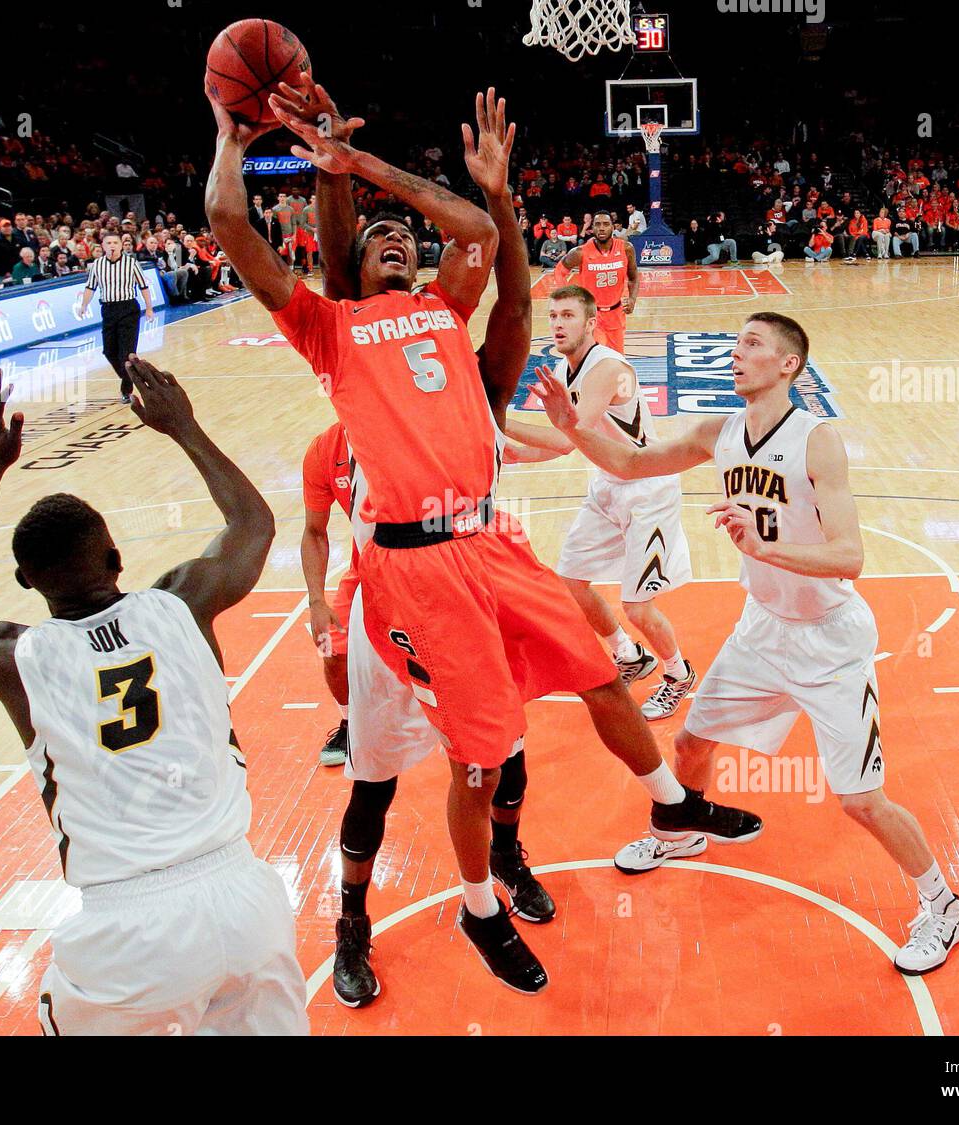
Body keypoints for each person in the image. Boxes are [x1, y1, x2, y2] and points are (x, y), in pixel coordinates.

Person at [210, 82, 736, 994]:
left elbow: (486, 244)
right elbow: (232, 222)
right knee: (432, 768)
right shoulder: (332, 330)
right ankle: (418, 909)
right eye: (377, 240)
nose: (396, 241)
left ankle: (666, 804)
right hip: (404, 568)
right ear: (351, 265)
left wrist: (387, 169)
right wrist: (237, 137)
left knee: (591, 681)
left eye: (403, 238)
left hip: (488, 540)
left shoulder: (448, 317)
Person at [534, 312, 959, 976]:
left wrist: (767, 546)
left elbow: (850, 555)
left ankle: (943, 905)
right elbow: (628, 460)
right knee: (690, 743)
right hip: (761, 630)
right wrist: (572, 425)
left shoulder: (816, 442)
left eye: (751, 344)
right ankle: (675, 834)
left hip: (830, 642)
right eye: (735, 343)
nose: (735, 354)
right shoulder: (720, 431)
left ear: (788, 364)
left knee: (860, 801)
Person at [0, 366, 308, 1034]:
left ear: (26, 581)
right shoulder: (184, 602)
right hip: (247, 900)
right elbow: (254, 524)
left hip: (131, 928)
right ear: (117, 557)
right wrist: (183, 427)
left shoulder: (18, 657)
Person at [506, 285, 698, 720]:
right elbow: (560, 445)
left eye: (569, 315)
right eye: (553, 315)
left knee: (637, 606)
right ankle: (628, 655)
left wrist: (497, 417)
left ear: (591, 323)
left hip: (649, 491)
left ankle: (678, 672)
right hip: (608, 483)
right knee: (572, 583)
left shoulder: (607, 369)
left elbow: (561, 436)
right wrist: (507, 451)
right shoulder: (561, 368)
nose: (558, 323)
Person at [300, 419, 355, 767]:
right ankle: (351, 723)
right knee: (331, 647)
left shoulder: (407, 428)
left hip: (431, 559)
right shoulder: (324, 450)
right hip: (370, 565)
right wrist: (316, 600)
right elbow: (314, 532)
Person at [78, 233, 156, 403]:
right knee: (108, 351)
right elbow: (90, 287)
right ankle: (131, 376)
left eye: (115, 242)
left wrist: (149, 308)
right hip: (108, 309)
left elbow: (143, 286)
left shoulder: (131, 263)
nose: (112, 245)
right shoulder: (97, 265)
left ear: (121, 245)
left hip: (128, 308)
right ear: (103, 246)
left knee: (126, 353)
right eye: (108, 243)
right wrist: (83, 305)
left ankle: (126, 390)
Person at [551, 210, 638, 353]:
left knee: (616, 359)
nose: (602, 228)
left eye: (606, 224)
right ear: (592, 228)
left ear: (613, 227)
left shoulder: (626, 248)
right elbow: (559, 271)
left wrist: (633, 299)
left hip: (616, 313)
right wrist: (570, 299)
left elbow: (634, 277)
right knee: (595, 358)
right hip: (591, 314)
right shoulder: (580, 252)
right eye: (597, 224)